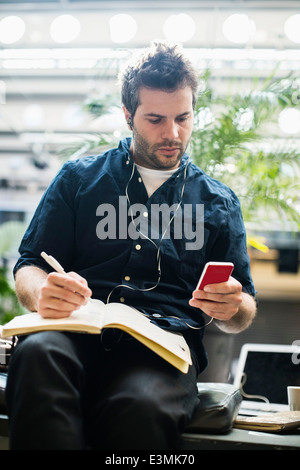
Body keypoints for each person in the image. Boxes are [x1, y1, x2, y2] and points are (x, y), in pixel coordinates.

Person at [5, 41, 256, 450]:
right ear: (128, 116)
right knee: (36, 355)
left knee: (140, 405)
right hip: (75, 332)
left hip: (162, 351)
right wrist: (40, 293)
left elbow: (243, 309)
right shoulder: (78, 180)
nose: (173, 133)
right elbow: (31, 264)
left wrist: (233, 307)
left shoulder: (218, 202)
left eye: (183, 118)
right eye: (155, 119)